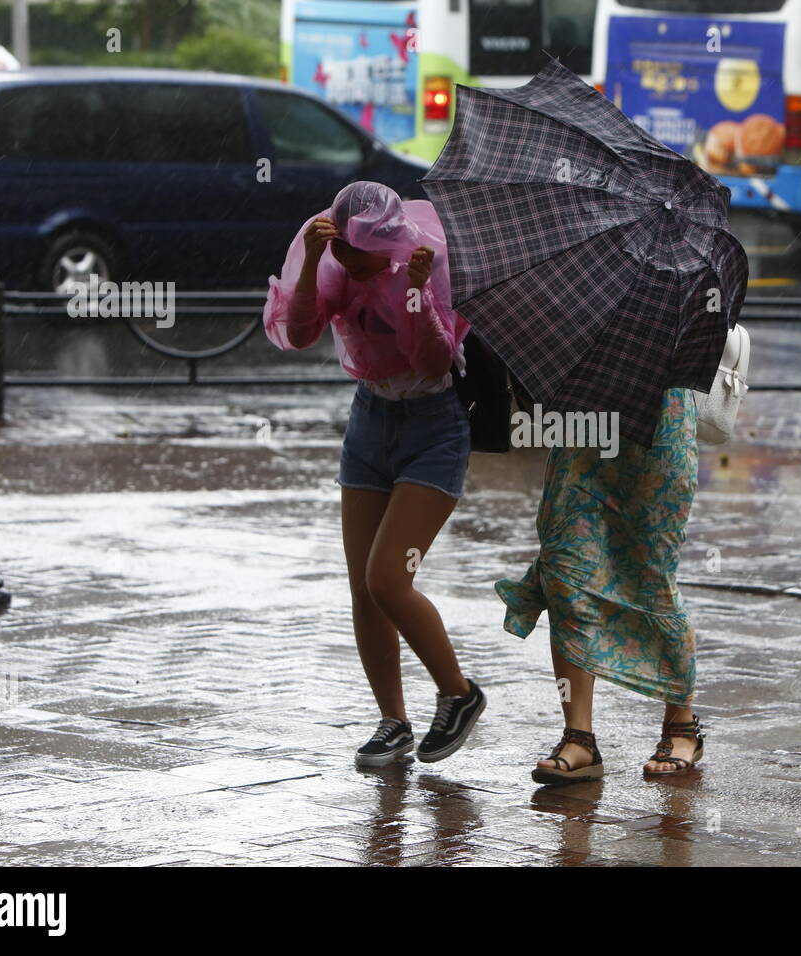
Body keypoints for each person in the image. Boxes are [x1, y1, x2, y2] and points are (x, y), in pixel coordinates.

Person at [264, 181, 485, 767]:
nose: (349, 264)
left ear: (384, 244)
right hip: (369, 423)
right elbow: (301, 330)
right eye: (341, 250)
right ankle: (393, 722)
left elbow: (434, 361)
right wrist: (313, 261)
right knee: (363, 587)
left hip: (433, 428)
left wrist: (416, 295)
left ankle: (458, 694)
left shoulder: (425, 264)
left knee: (389, 579)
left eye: (356, 255)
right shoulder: (333, 262)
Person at [497, 388, 704, 784]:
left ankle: (681, 725)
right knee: (564, 573)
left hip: (658, 428)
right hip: (581, 433)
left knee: (651, 577)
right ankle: (579, 738)